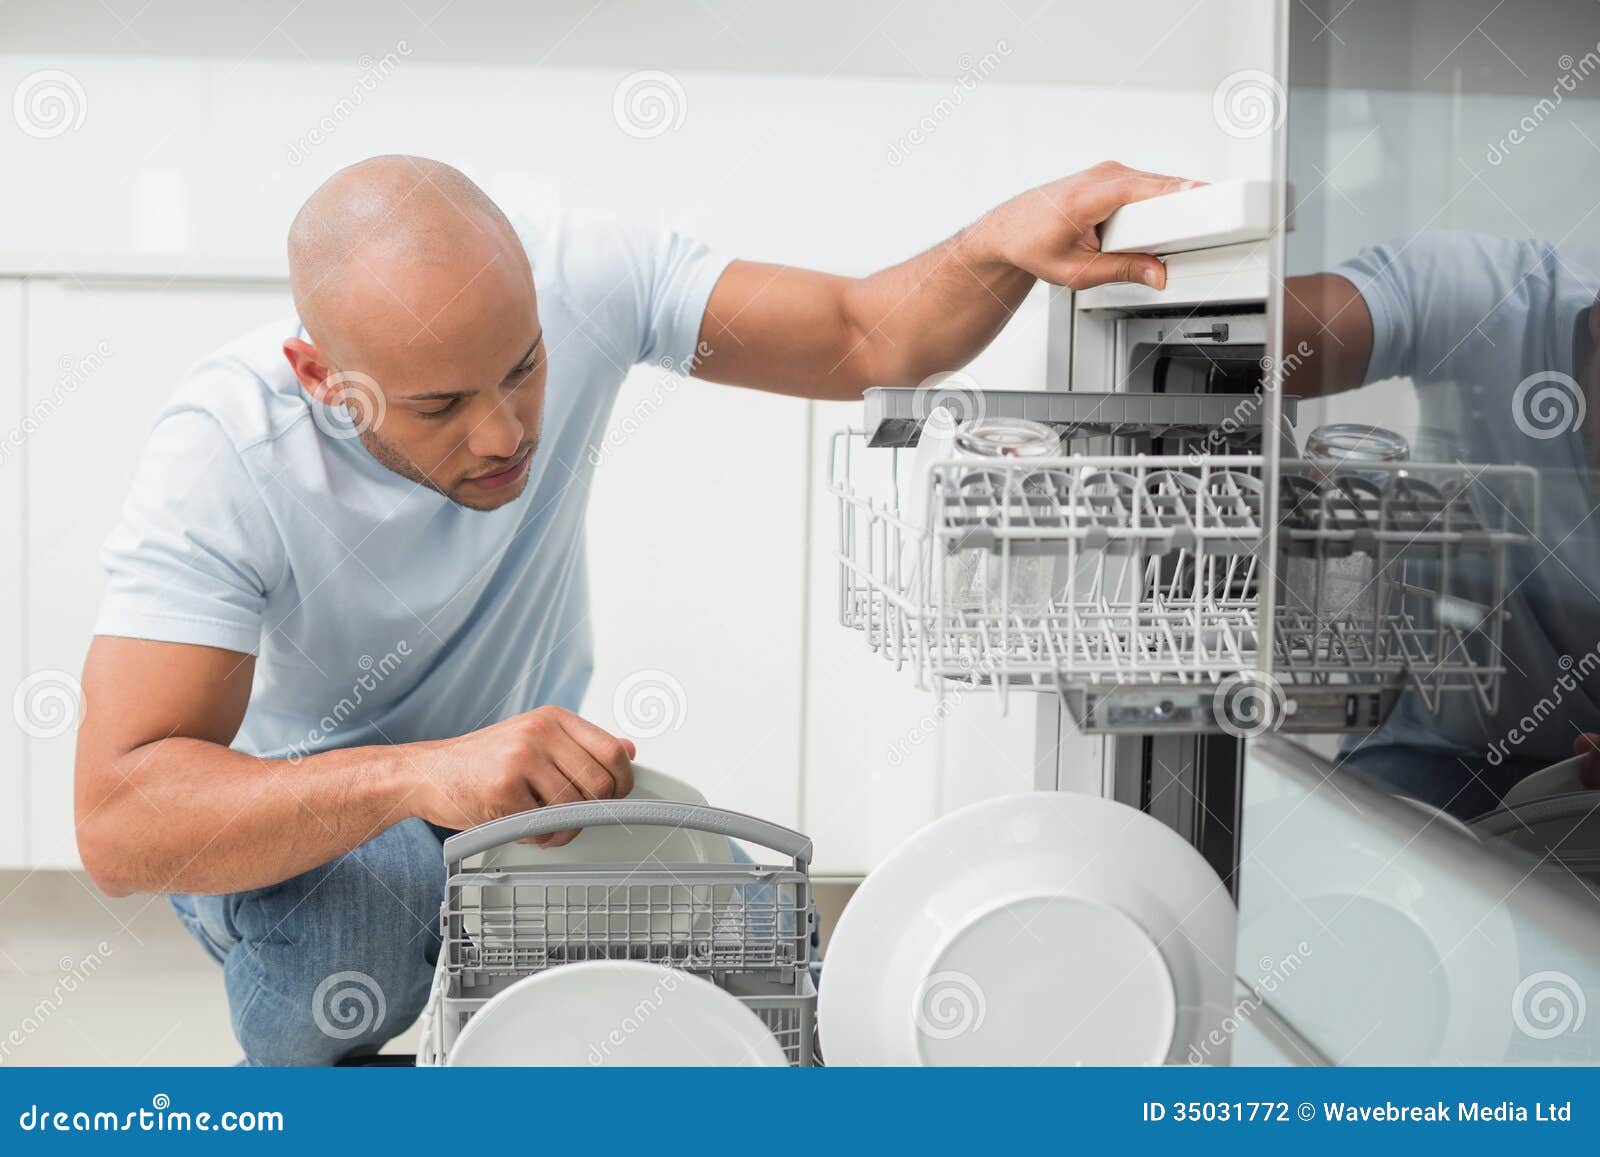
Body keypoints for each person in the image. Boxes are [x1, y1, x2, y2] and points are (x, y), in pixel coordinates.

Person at [73, 155, 1194, 1064]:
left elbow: (865, 335)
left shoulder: (578, 273)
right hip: (291, 821)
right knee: (362, 920)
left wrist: (991, 241)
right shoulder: (225, 453)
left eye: (523, 368)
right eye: (440, 405)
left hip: (504, 795)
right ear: (320, 375)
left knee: (727, 927)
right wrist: (415, 771)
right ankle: (309, 1085)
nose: (506, 432)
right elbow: (120, 823)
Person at [1283, 231, 1600, 818]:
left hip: (1585, 785)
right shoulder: (1494, 294)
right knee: (1353, 869)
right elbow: (1255, 337)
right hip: (1435, 751)